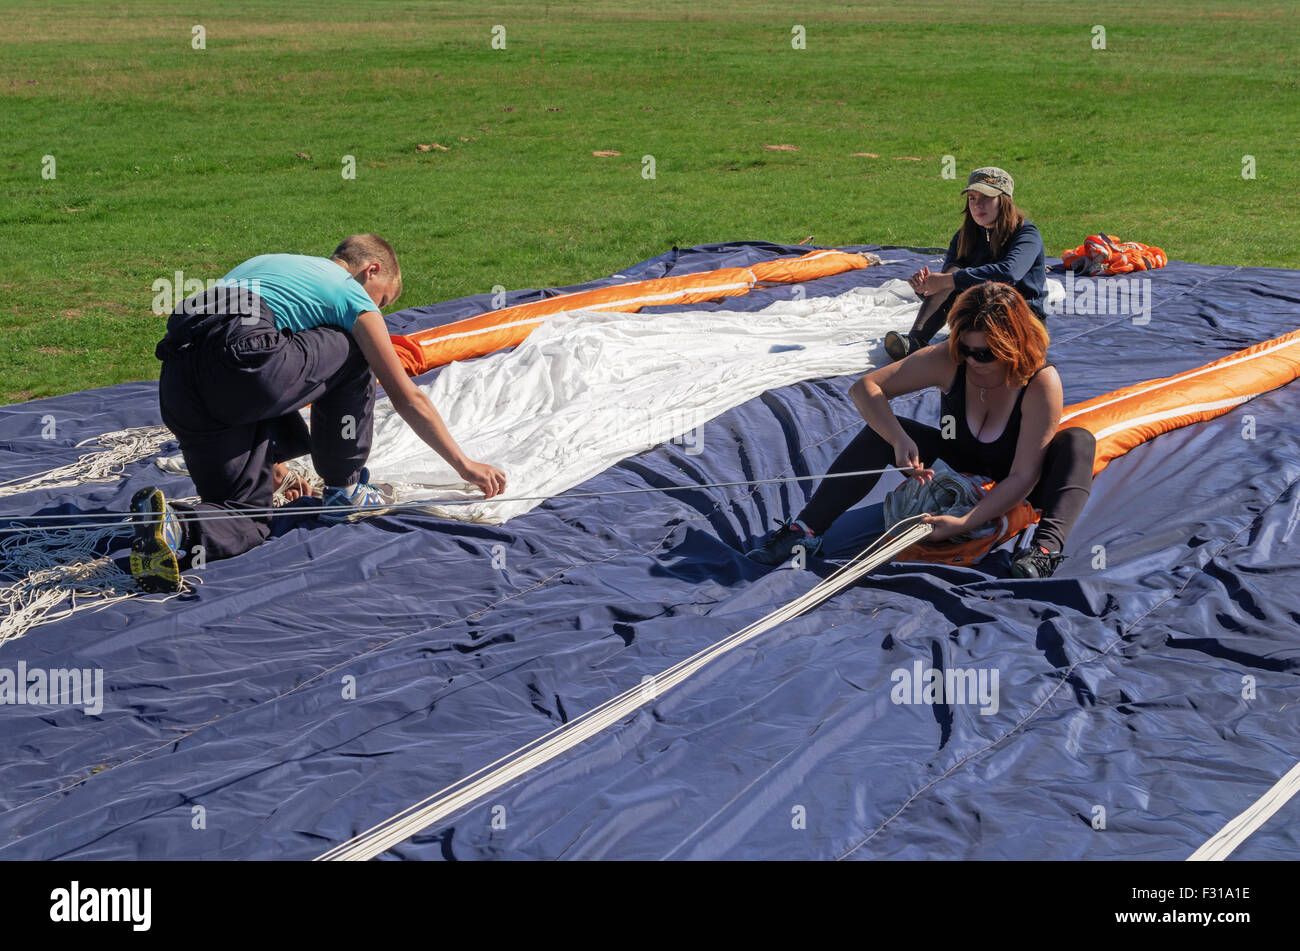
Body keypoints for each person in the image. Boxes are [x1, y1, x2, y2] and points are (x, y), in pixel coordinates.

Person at [129, 234, 507, 593]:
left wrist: (272, 465)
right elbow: (407, 396)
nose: (379, 310)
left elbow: (243, 370)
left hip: (180, 381)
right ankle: (345, 490)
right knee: (358, 347)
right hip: (244, 356)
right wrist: (464, 465)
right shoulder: (347, 290)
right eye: (384, 300)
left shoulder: (267, 263)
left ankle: (171, 528)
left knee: (246, 516)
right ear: (371, 270)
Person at [746, 281, 1095, 579]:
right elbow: (865, 389)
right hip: (957, 463)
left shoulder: (1039, 381)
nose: (972, 361)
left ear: (1011, 345)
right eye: (966, 350)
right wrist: (899, 439)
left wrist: (964, 523)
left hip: (1015, 480)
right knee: (879, 434)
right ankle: (806, 532)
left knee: (1078, 443)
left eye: (985, 354)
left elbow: (1022, 477)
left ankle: (1045, 550)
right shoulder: (949, 359)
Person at [883, 167, 1047, 362]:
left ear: (1004, 201)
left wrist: (948, 280)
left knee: (953, 285)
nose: (978, 205)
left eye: (986, 198)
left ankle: (950, 346)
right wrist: (926, 288)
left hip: (1021, 315)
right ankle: (916, 341)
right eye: (972, 198)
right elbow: (950, 285)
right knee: (953, 274)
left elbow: (1009, 273)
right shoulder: (964, 236)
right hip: (980, 308)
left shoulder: (1026, 234)